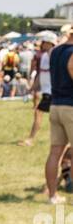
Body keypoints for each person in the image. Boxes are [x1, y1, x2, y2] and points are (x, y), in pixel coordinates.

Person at [44, 24, 73, 203]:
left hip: (56, 105)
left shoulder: (54, 51)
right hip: (71, 106)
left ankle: (53, 195)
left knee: (55, 153)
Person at [21, 39, 53, 146]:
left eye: (45, 42)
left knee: (39, 113)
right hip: (47, 91)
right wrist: (32, 88)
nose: (42, 44)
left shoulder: (52, 54)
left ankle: (31, 139)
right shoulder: (44, 56)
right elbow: (41, 74)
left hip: (52, 91)